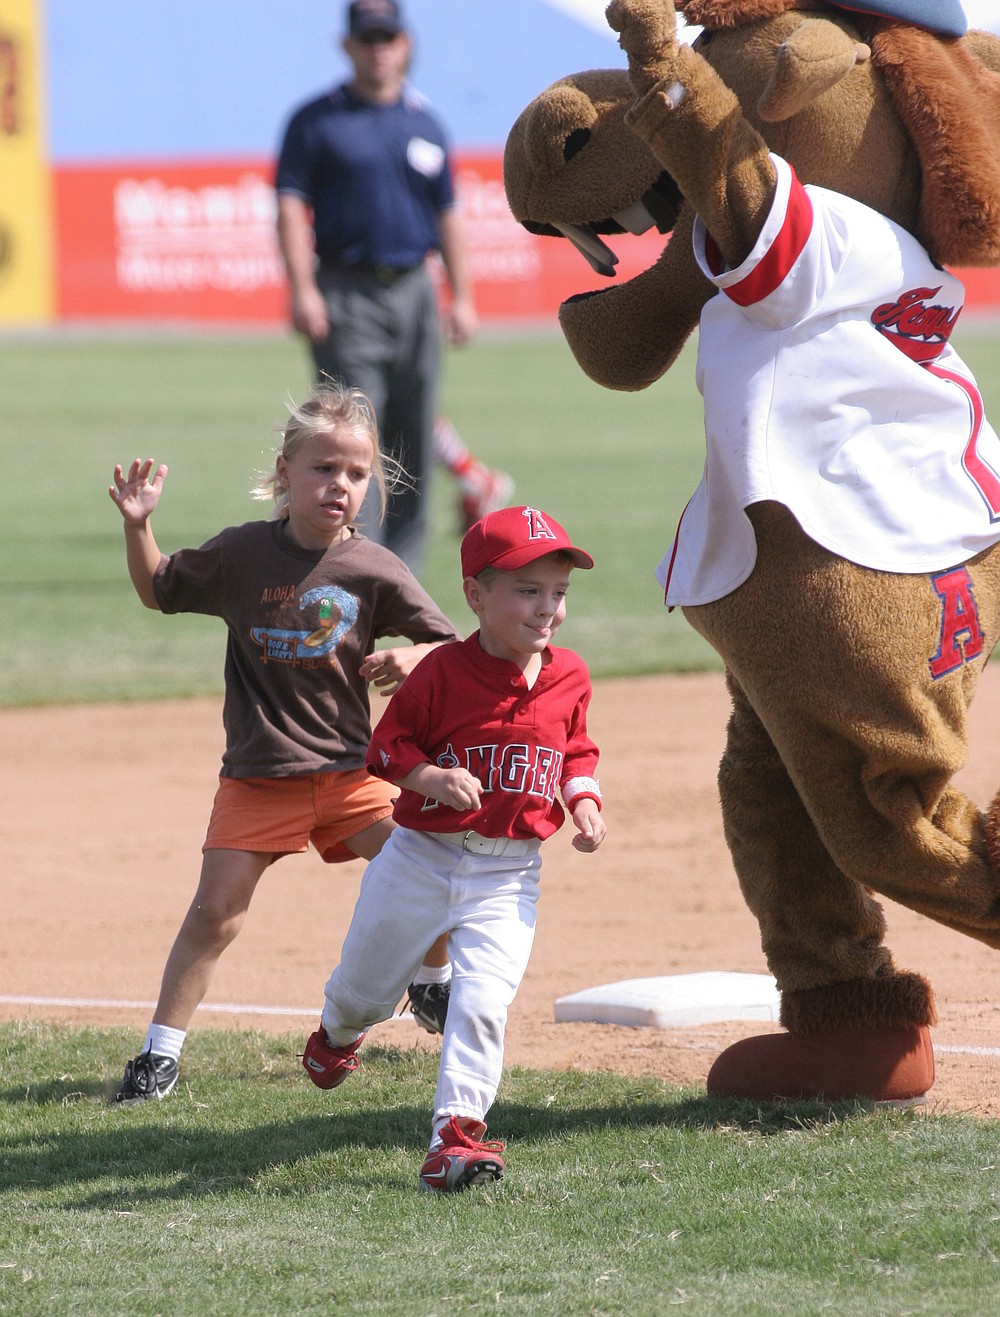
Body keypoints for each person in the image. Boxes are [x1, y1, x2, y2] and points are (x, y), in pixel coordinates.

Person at [107, 380, 462, 1103]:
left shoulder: (372, 568)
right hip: (260, 773)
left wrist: (412, 658)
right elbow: (160, 590)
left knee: (427, 873)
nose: (340, 484)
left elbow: (452, 649)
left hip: (349, 775)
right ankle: (158, 1055)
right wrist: (138, 526)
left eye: (356, 474)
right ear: (284, 473)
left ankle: (432, 982)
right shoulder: (243, 553)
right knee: (216, 912)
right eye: (323, 468)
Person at [301, 504, 607, 1192]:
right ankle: (337, 1033)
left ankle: (455, 1136)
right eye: (527, 590)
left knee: (482, 1000)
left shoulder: (569, 675)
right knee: (365, 991)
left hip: (510, 873)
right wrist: (430, 776)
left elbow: (576, 749)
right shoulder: (440, 671)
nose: (547, 608)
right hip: (420, 857)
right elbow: (385, 747)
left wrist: (583, 800)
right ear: (476, 594)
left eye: (558, 593)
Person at [275, 0, 511, 570]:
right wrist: (303, 289)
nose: (378, 47)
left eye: (388, 37)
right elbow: (289, 206)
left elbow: (448, 217)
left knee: (412, 429)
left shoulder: (424, 123)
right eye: (368, 38)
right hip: (347, 291)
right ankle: (354, 563)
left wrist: (465, 297)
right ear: (348, 47)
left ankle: (400, 573)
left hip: (415, 289)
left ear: (404, 44)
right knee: (356, 433)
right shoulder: (317, 120)